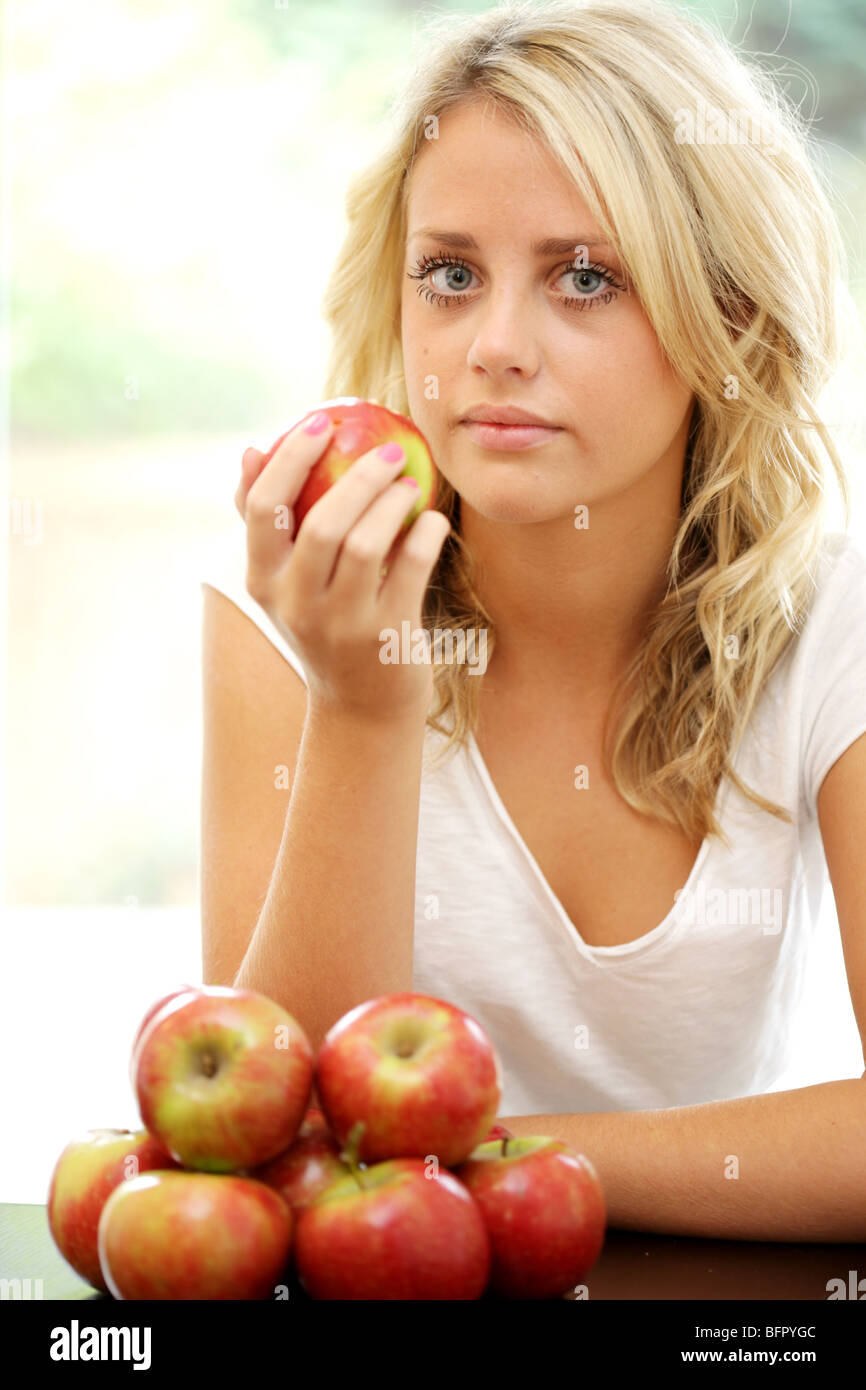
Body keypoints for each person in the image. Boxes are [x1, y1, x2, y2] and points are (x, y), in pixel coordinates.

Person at [199, 0, 866, 1240]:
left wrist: (485, 1157)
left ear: (725, 316)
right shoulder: (283, 596)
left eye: (584, 277)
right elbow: (265, 1150)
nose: (494, 347)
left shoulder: (830, 623)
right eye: (449, 274)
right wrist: (363, 699)